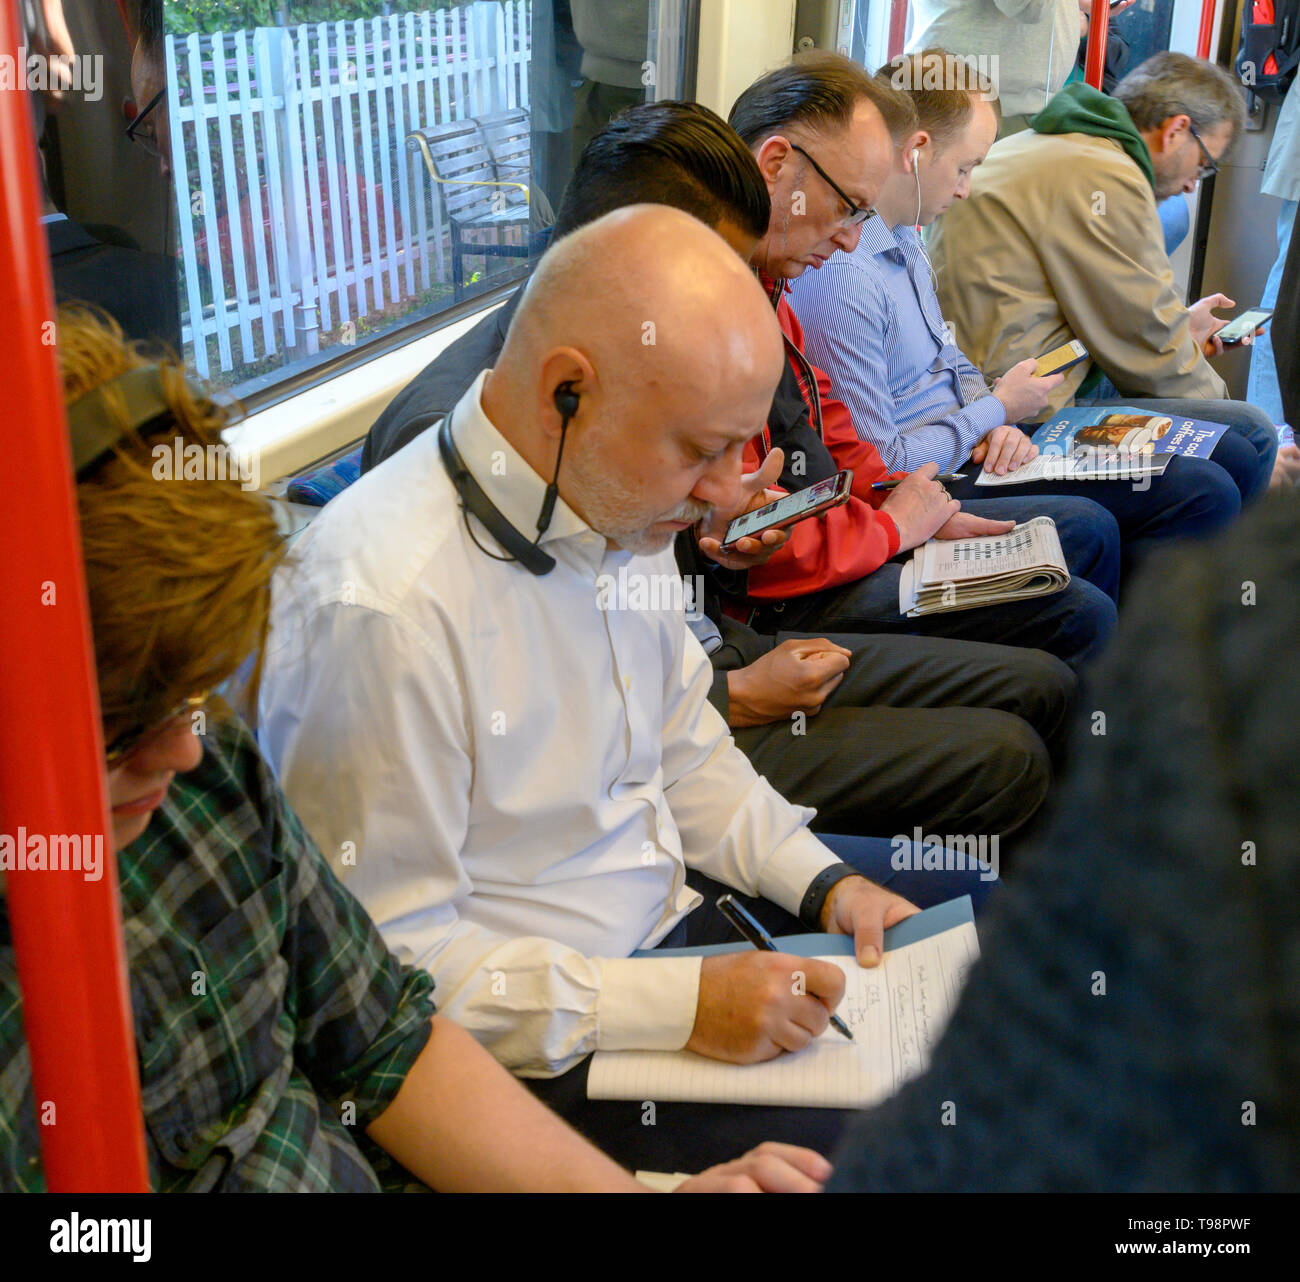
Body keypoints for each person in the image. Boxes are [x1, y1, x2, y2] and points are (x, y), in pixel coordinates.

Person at [0, 308, 827, 1194]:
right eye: (121, 727)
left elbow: (384, 1043)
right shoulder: (384, 603)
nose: (183, 752)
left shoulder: (206, 780)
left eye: (188, 703)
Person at [259, 207, 1000, 1173]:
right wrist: (682, 1006)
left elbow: (687, 752)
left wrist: (826, 884)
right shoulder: (380, 608)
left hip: (675, 929)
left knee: (982, 921)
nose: (730, 493)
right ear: (567, 390)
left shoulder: (610, 499)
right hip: (536, 1048)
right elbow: (390, 972)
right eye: (700, 452)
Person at [363, 99, 1078, 848]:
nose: (748, 297)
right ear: (629, 271)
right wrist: (727, 694)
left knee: (1042, 689)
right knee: (1006, 754)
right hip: (660, 734)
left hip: (704, 655)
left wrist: (716, 532)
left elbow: (645, 584)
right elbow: (534, 713)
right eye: (720, 276)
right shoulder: (464, 452)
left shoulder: (631, 353)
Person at [829, 489, 1300, 1192]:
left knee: (1139, 529)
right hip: (815, 578)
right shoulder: (1222, 635)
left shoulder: (1222, 633)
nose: (712, 482)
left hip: (870, 530)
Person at [790, 50, 1255, 580]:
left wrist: (992, 415)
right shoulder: (847, 268)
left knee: (1226, 460)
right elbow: (878, 465)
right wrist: (994, 414)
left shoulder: (902, 237)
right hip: (936, 471)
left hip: (979, 435)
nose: (966, 189)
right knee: (1202, 486)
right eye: (964, 168)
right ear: (917, 154)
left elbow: (951, 360)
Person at [724, 52, 1120, 672]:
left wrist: (904, 503)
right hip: (780, 599)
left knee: (1090, 537)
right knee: (1077, 609)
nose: (854, 238)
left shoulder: (775, 294)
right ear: (775, 166)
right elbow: (757, 531)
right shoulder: (729, 313)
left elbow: (836, 454)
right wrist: (893, 525)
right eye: (849, 207)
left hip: (857, 521)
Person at [927, 52, 1277, 504]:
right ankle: (1232, 563)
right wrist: (1198, 371)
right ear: (1175, 132)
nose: (1194, 184)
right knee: (1251, 431)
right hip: (1021, 411)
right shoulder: (1108, 176)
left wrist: (1178, 336)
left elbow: (1137, 324)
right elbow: (1150, 343)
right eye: (1205, 163)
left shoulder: (1054, 142)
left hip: (991, 380)